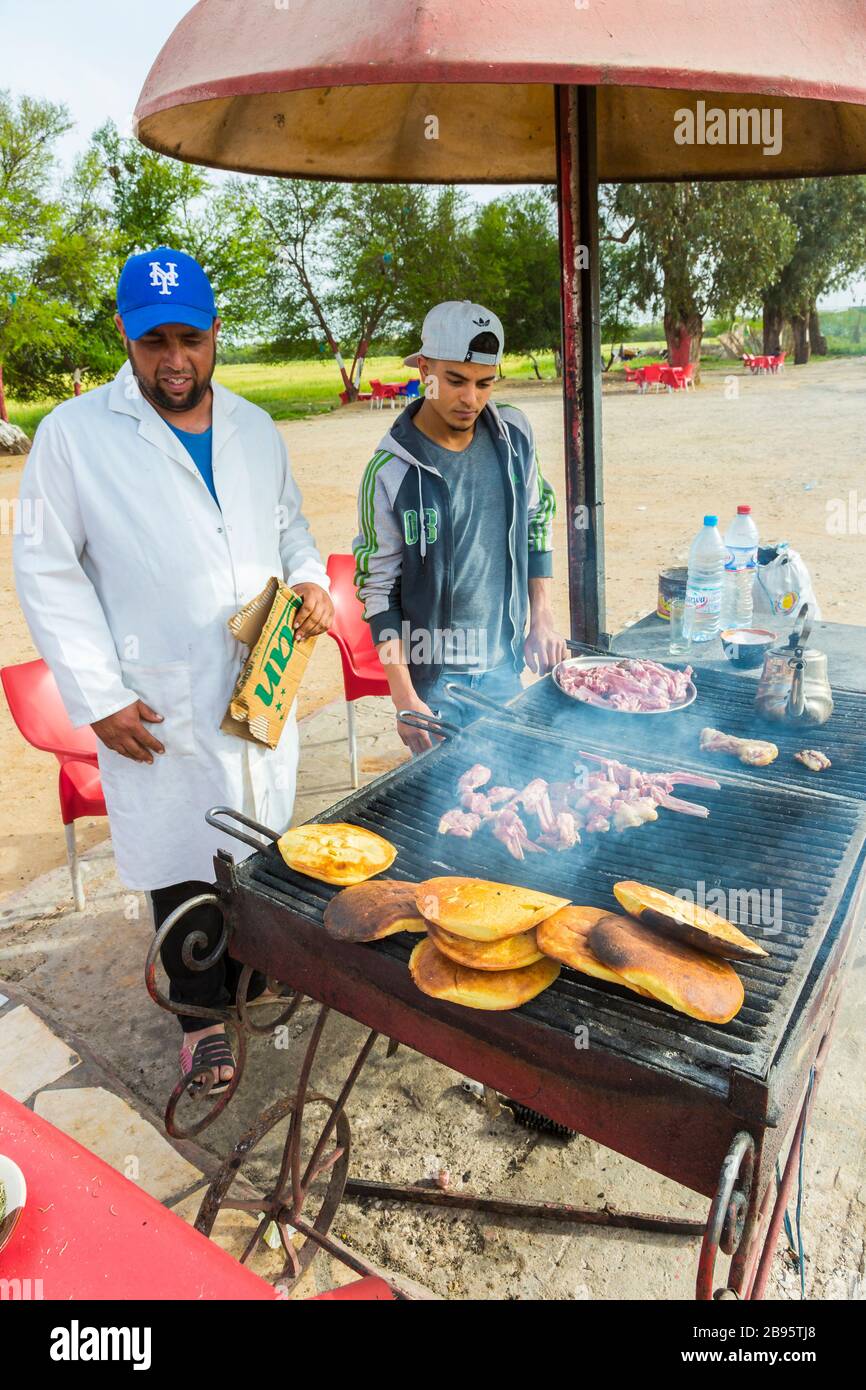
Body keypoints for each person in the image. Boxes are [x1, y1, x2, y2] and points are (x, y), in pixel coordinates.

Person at [14, 246, 333, 1094]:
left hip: (256, 684)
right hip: (155, 697)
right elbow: (46, 568)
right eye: (154, 342)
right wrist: (100, 698)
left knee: (257, 842)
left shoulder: (254, 429)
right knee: (185, 858)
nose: (174, 360)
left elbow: (290, 526)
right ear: (124, 334)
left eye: (190, 338)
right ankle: (200, 1015)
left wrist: (307, 580)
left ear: (216, 333)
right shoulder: (74, 437)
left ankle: (258, 972)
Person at [353, 300, 567, 750]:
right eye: (455, 381)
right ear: (425, 369)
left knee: (512, 793)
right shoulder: (390, 470)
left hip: (504, 668)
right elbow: (378, 590)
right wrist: (404, 697)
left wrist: (542, 617)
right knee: (446, 805)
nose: (471, 398)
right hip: (434, 683)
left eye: (484, 383)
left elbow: (536, 516)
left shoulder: (514, 436)